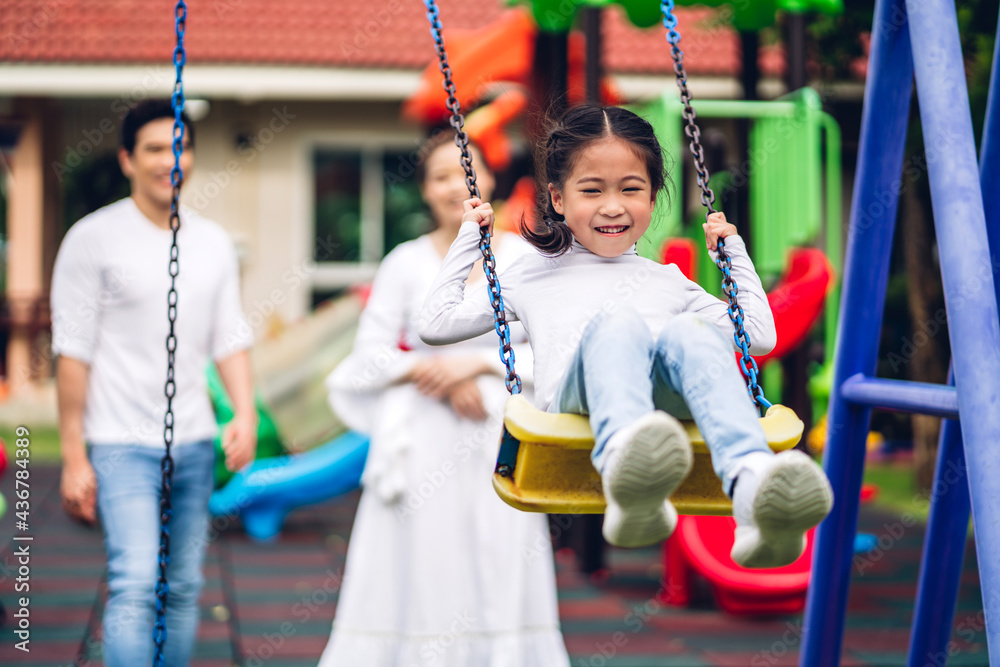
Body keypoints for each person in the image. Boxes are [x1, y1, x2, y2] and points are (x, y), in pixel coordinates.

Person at [419, 105, 834, 569]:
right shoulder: (530, 274)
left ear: (653, 199)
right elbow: (436, 324)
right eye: (591, 190)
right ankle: (627, 469)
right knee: (619, 324)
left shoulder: (669, 281)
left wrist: (732, 256)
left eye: (631, 189)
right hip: (578, 408)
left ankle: (753, 486)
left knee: (691, 332)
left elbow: (758, 336)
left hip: (664, 407)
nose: (612, 206)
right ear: (557, 198)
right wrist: (468, 241)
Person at [319, 131, 570, 665]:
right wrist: (430, 370)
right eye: (440, 176)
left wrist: (477, 365)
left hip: (496, 434)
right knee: (420, 559)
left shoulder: (526, 259)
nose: (456, 184)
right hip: (424, 438)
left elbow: (554, 350)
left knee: (499, 551)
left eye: (466, 171)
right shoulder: (404, 263)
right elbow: (369, 354)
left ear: (491, 177)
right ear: (425, 191)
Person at [52, 99, 257, 666]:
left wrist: (243, 412)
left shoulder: (213, 241)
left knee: (185, 587)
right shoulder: (91, 239)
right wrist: (74, 456)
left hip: (193, 440)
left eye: (182, 147)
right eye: (154, 148)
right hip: (119, 442)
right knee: (136, 582)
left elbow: (229, 338)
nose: (172, 160)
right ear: (125, 159)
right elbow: (73, 354)